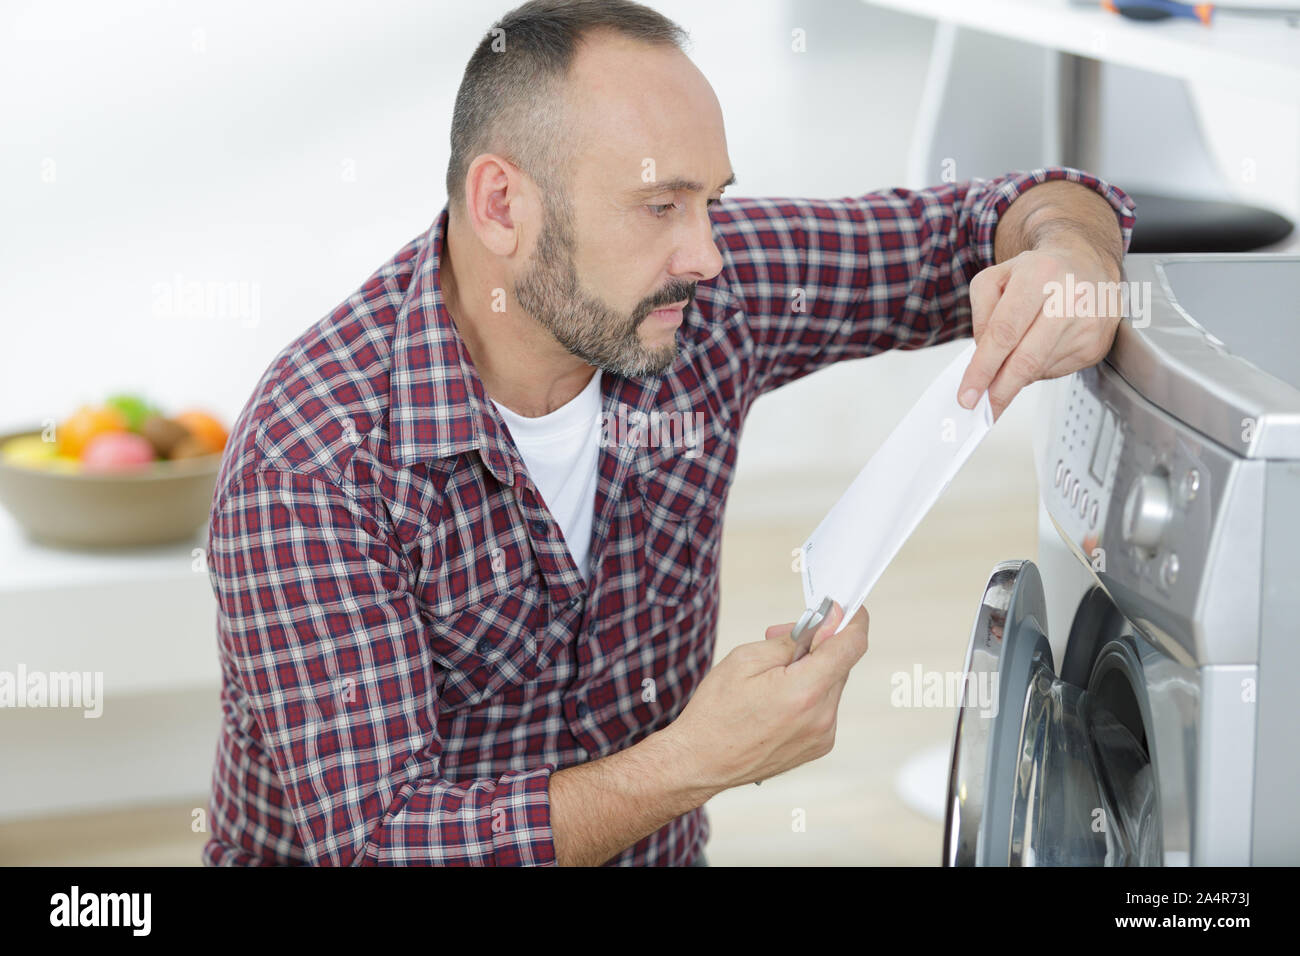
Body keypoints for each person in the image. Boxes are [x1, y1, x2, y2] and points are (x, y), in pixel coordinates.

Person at [202, 0, 1134, 866]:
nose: (708, 254)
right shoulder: (313, 457)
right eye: (660, 206)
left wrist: (1072, 254)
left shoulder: (696, 300)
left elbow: (990, 217)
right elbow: (379, 846)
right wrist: (695, 761)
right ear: (501, 207)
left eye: (712, 201)